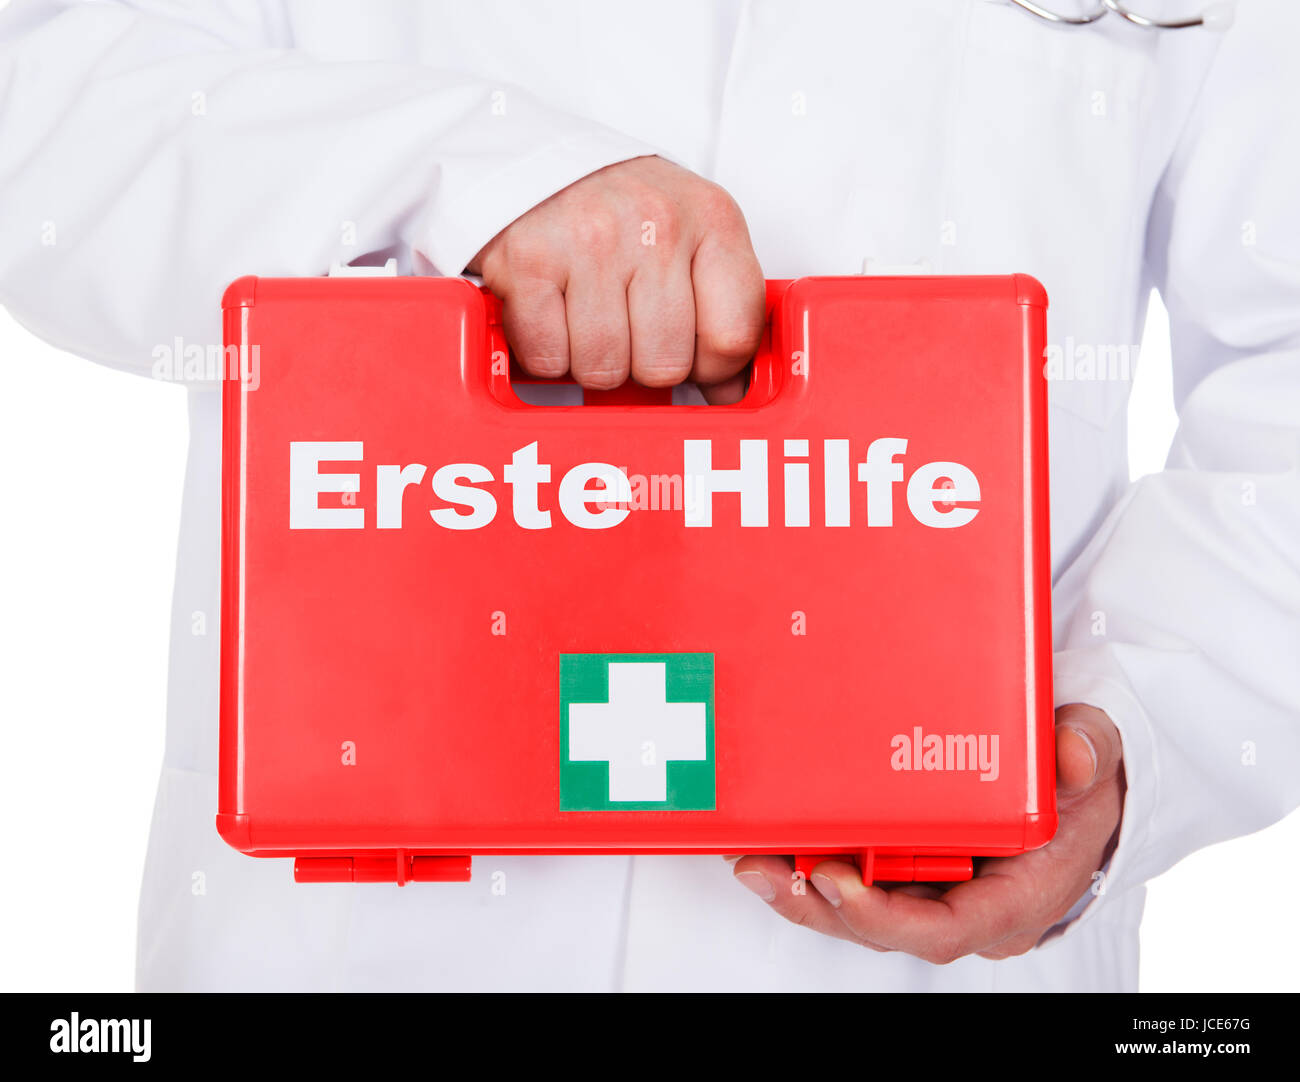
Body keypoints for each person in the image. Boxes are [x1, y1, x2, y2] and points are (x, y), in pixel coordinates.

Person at [0, 0, 1296, 992]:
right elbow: (45, 85)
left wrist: (1131, 734)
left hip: (919, 914)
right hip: (362, 932)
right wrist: (467, 178)